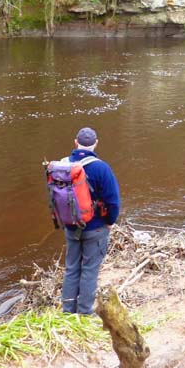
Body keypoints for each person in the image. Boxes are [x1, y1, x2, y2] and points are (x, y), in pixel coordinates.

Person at [58, 127, 120, 315]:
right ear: (96, 143)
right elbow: (113, 201)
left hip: (70, 226)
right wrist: (110, 221)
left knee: (71, 269)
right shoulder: (101, 168)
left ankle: (67, 311)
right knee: (89, 270)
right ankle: (84, 313)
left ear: (75, 142)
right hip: (96, 228)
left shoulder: (62, 165)